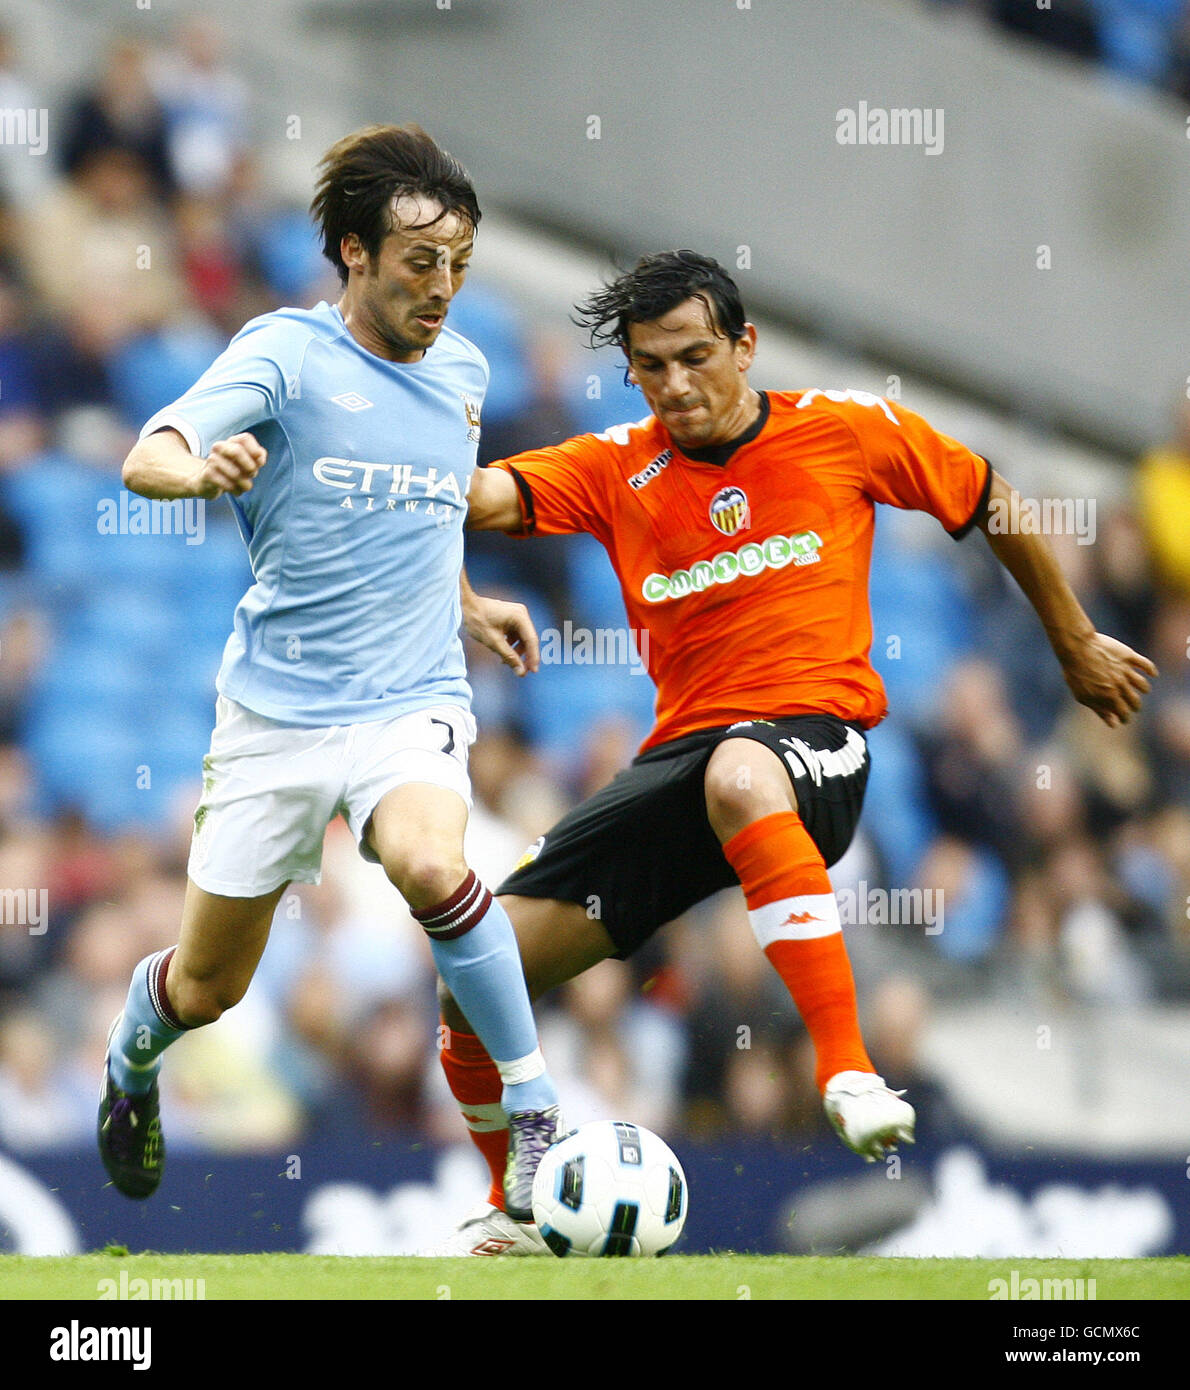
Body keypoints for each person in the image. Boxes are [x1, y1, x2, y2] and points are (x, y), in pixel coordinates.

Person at [429, 250, 1157, 1255]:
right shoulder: (615, 466)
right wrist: (401, 443)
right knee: (476, 972)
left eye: (694, 357)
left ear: (744, 345)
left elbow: (987, 495)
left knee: (740, 768)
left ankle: (844, 1068)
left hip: (811, 747)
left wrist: (1071, 636)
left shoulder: (844, 430)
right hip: (676, 765)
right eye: (651, 367)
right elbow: (466, 500)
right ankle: (509, 1207)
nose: (675, 386)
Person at [97, 123, 561, 1221]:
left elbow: (423, 502)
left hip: (410, 700)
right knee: (207, 986)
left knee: (424, 855)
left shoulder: (464, 367)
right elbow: (143, 455)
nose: (442, 287)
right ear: (353, 253)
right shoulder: (284, 354)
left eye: (458, 262)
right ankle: (131, 1060)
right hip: (276, 716)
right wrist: (201, 469)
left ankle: (535, 1110)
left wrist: (463, 601)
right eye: (418, 263)